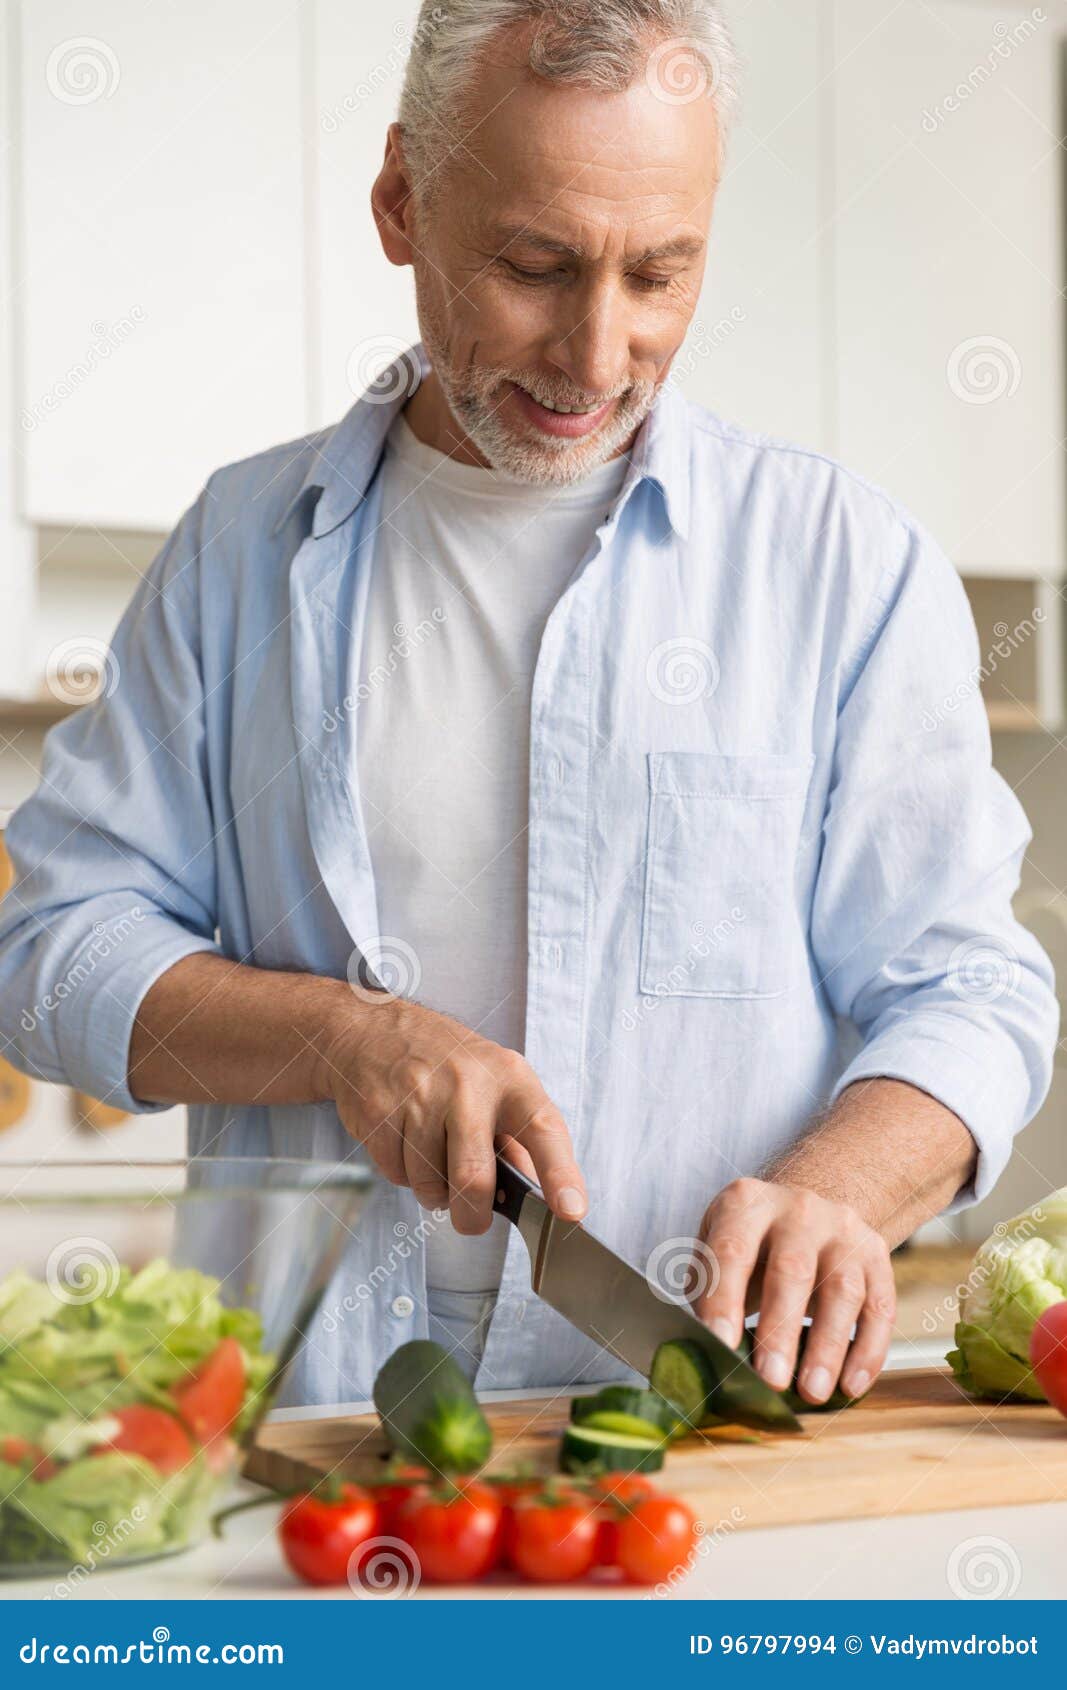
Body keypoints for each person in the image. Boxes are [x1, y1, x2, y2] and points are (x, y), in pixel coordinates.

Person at [0, 0, 1056, 1409]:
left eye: (660, 273)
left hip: (695, 1433)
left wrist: (841, 1190)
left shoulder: (843, 568)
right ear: (402, 200)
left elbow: (971, 990)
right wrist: (344, 1039)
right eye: (535, 266)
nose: (598, 354)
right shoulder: (234, 554)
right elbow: (49, 954)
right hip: (304, 1432)